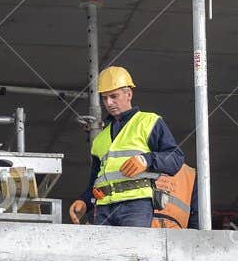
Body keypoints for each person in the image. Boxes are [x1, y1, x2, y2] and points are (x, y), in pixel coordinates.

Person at [70, 66, 184, 228]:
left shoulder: (148, 122)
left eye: (114, 96)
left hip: (135, 205)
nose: (109, 103)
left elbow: (176, 158)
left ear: (128, 94)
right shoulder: (100, 139)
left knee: (132, 251)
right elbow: (95, 179)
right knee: (104, 253)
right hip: (104, 207)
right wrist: (85, 200)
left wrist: (147, 159)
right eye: (105, 98)